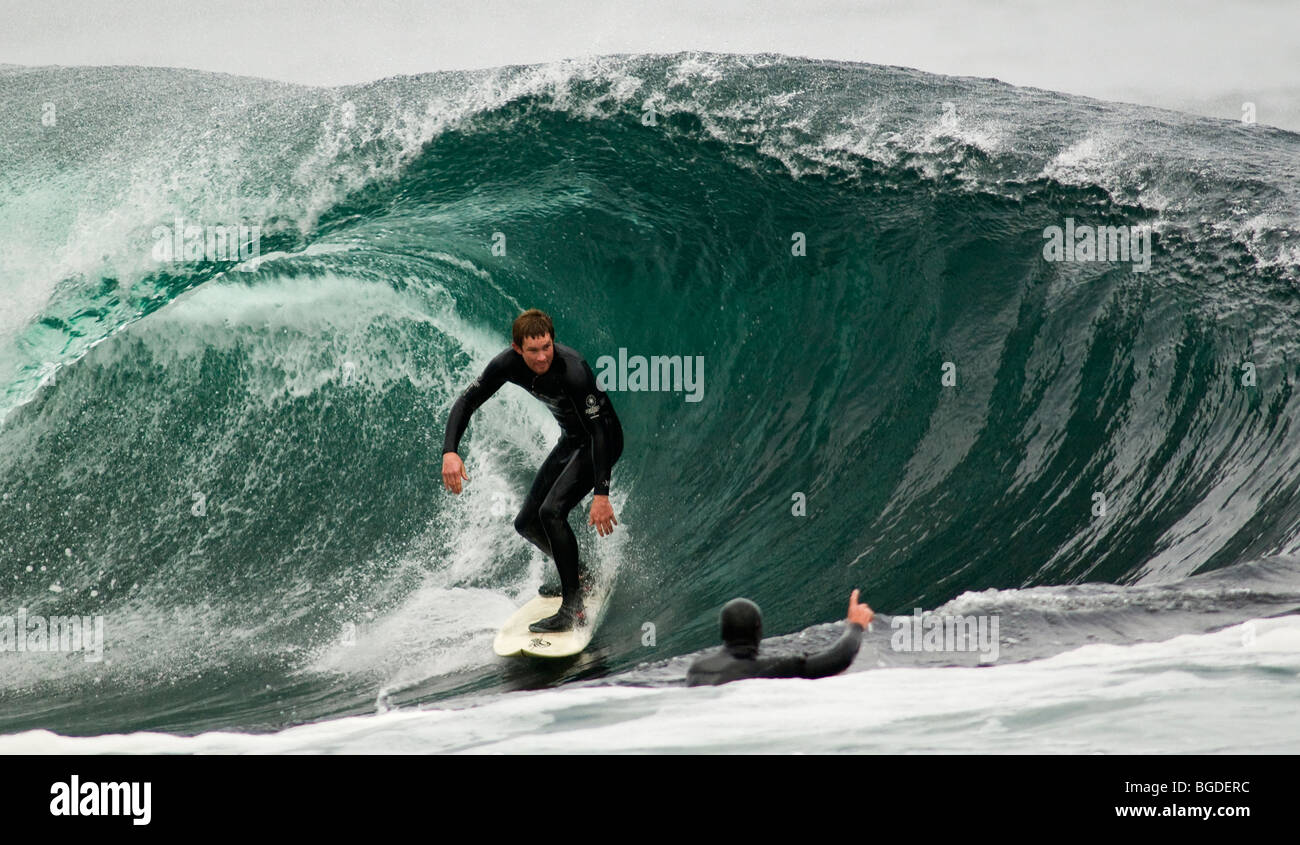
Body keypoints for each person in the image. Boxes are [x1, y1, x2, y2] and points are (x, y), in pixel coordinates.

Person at [441, 309, 623, 633]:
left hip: (602, 441)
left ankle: (572, 609)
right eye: (533, 350)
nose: (542, 357)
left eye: (547, 347)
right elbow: (466, 402)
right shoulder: (505, 365)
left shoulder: (574, 370)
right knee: (527, 522)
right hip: (571, 440)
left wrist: (601, 494)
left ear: (553, 341)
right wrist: (450, 452)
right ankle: (580, 578)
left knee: (552, 512)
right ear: (517, 348)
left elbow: (599, 434)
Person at [686, 590, 873, 686]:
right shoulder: (771, 667)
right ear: (758, 630)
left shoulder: (697, 669)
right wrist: (856, 625)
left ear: (723, 631)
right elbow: (840, 658)